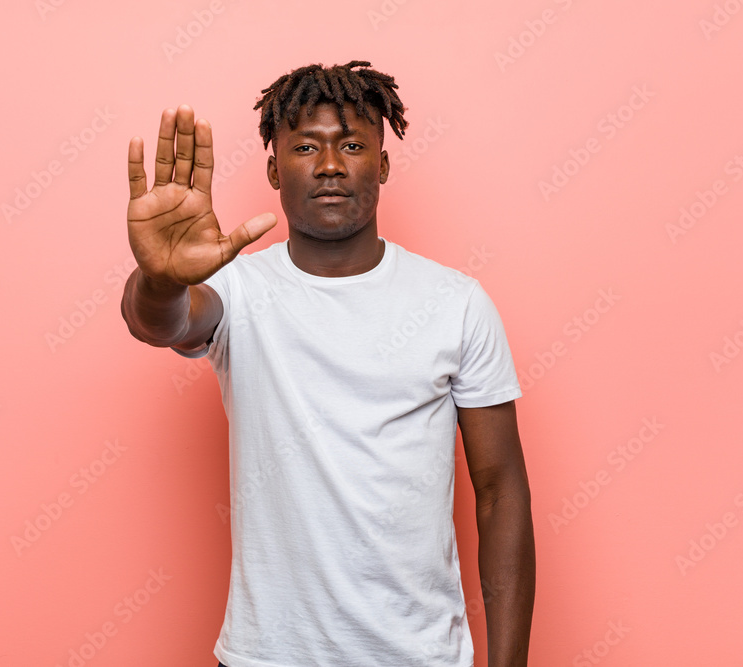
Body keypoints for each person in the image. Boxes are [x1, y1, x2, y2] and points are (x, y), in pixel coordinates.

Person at [120, 60, 535, 667]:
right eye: (307, 146)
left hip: (420, 656)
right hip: (266, 656)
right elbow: (161, 322)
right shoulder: (238, 290)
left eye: (354, 144)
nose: (331, 165)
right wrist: (159, 280)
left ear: (384, 165)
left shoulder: (456, 303)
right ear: (274, 170)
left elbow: (500, 492)